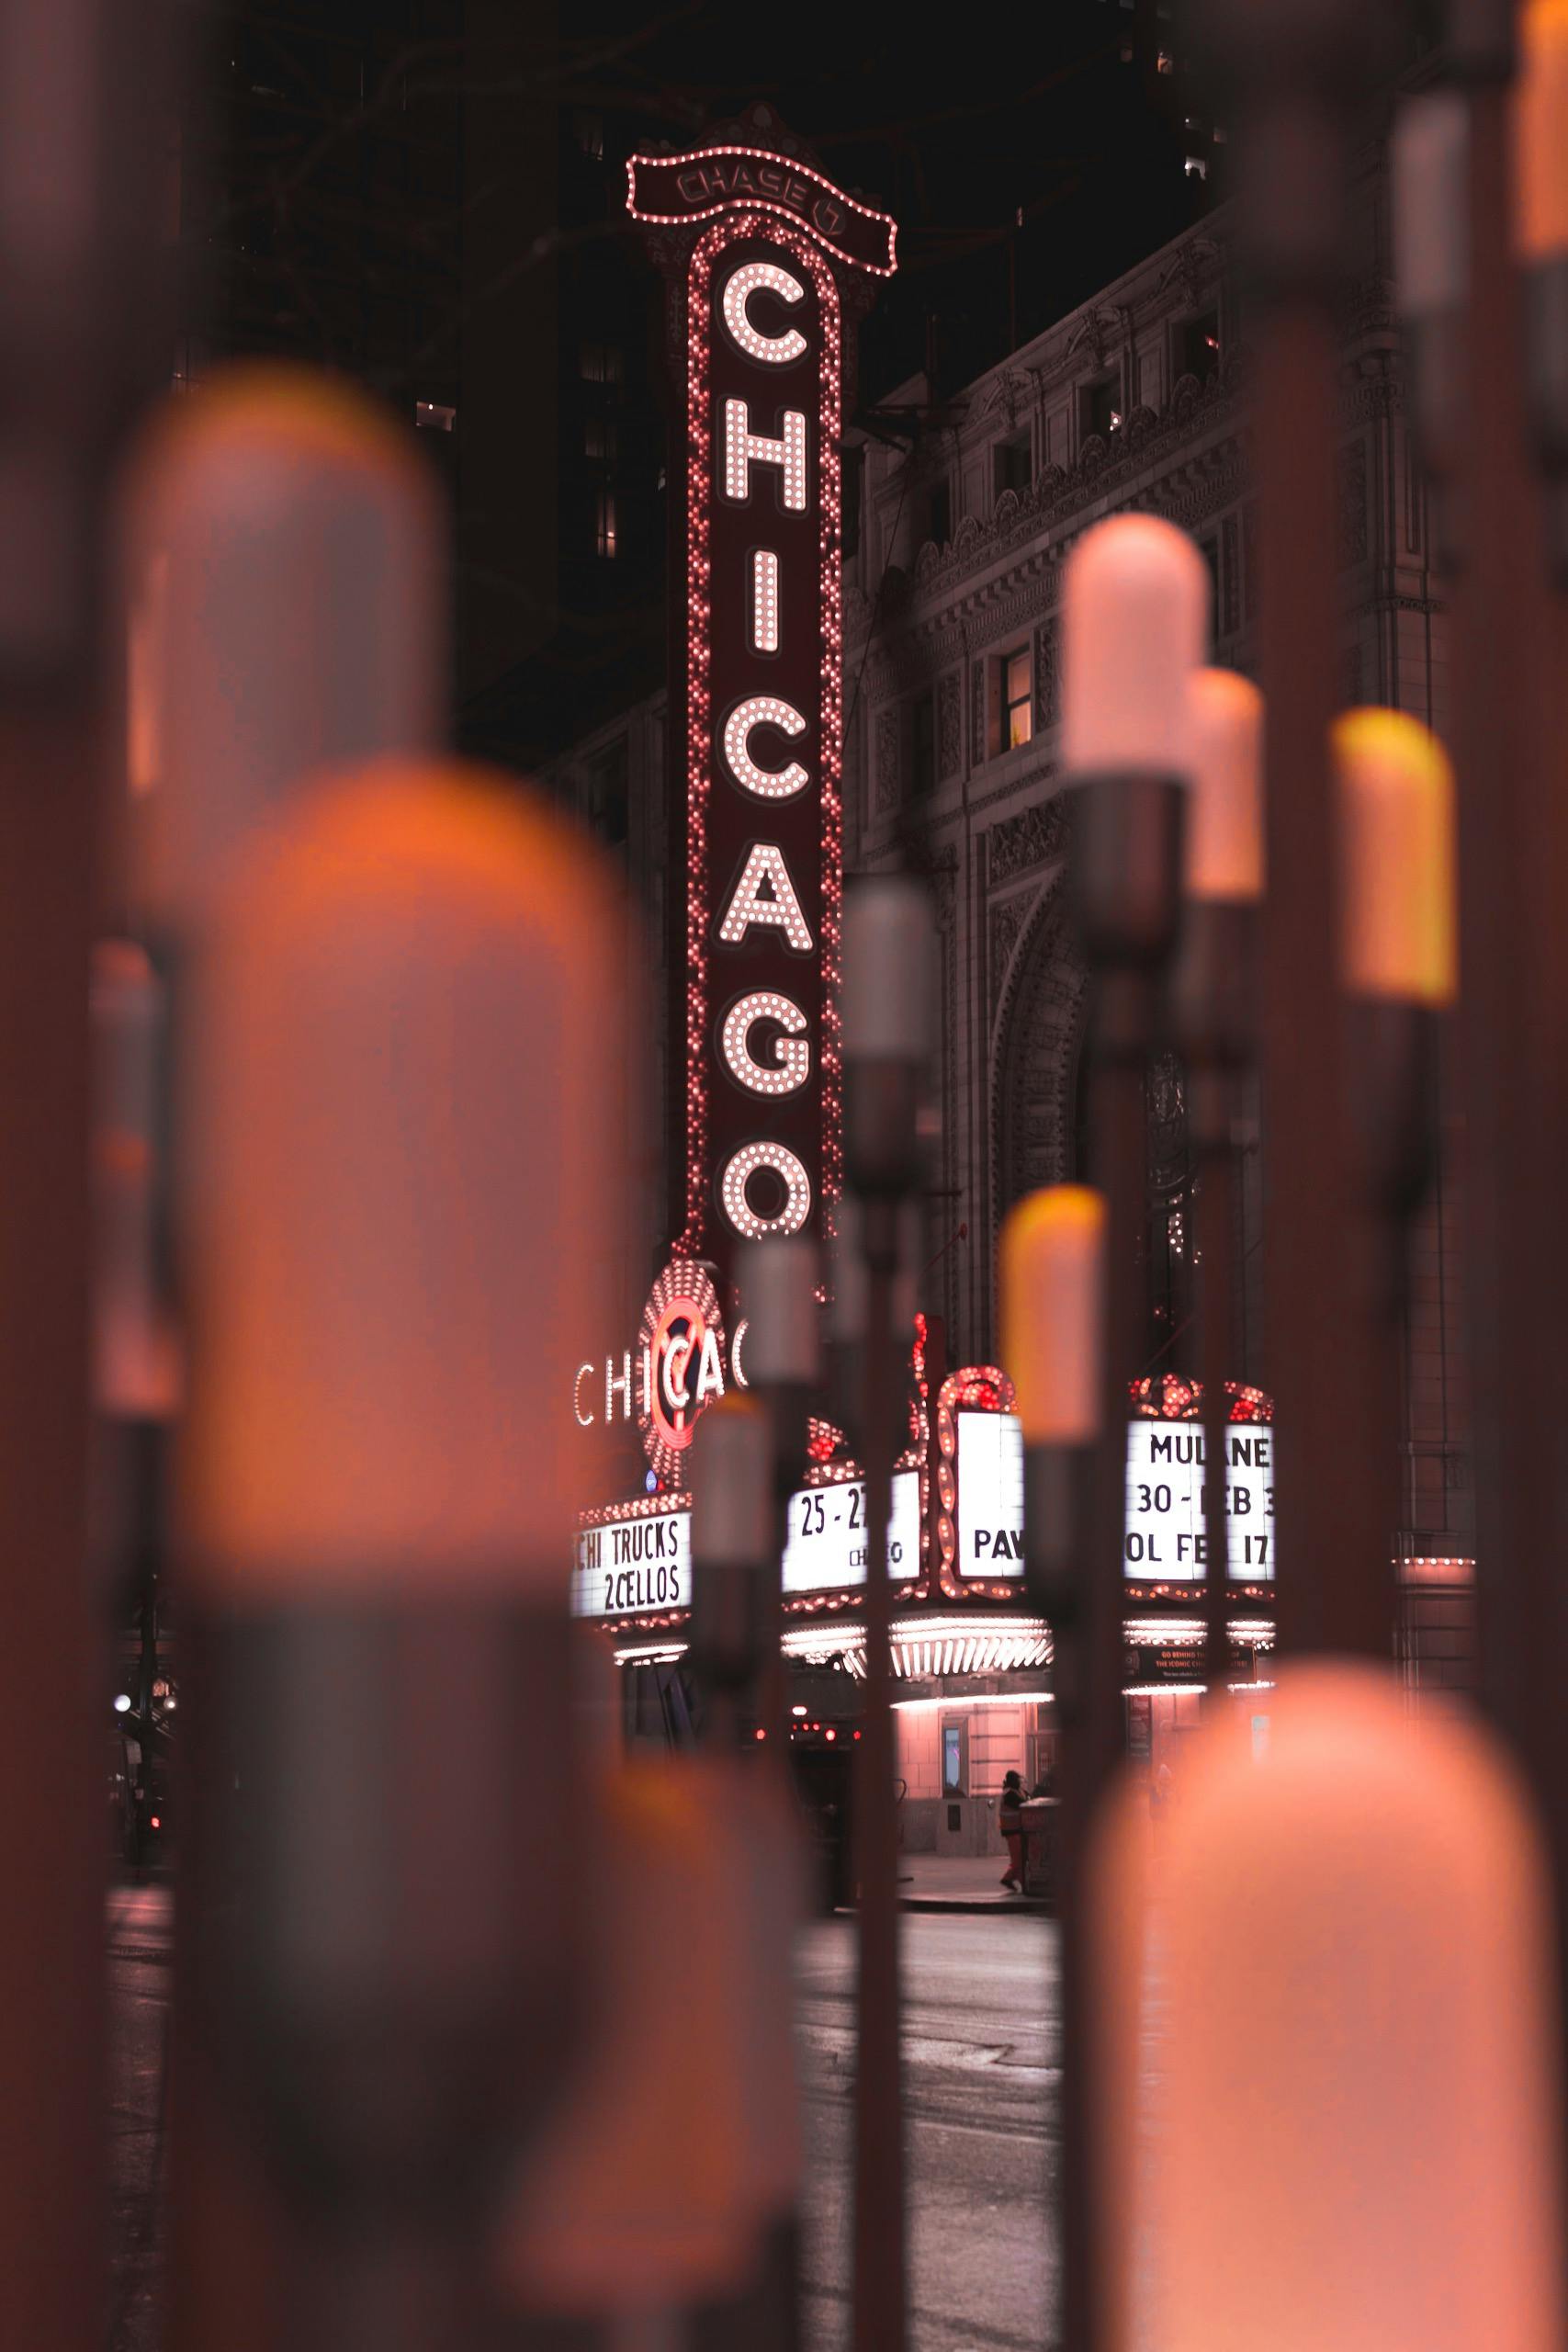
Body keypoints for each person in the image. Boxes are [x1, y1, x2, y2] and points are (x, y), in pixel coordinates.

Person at [998, 1770, 1026, 1891]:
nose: (1020, 1782)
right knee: (1018, 1859)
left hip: (1017, 1830)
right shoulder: (1009, 1794)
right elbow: (1023, 1803)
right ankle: (1010, 1879)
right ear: (1013, 1781)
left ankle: (1018, 1880)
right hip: (1012, 1830)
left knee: (1019, 1857)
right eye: (1018, 1780)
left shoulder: (1016, 1791)